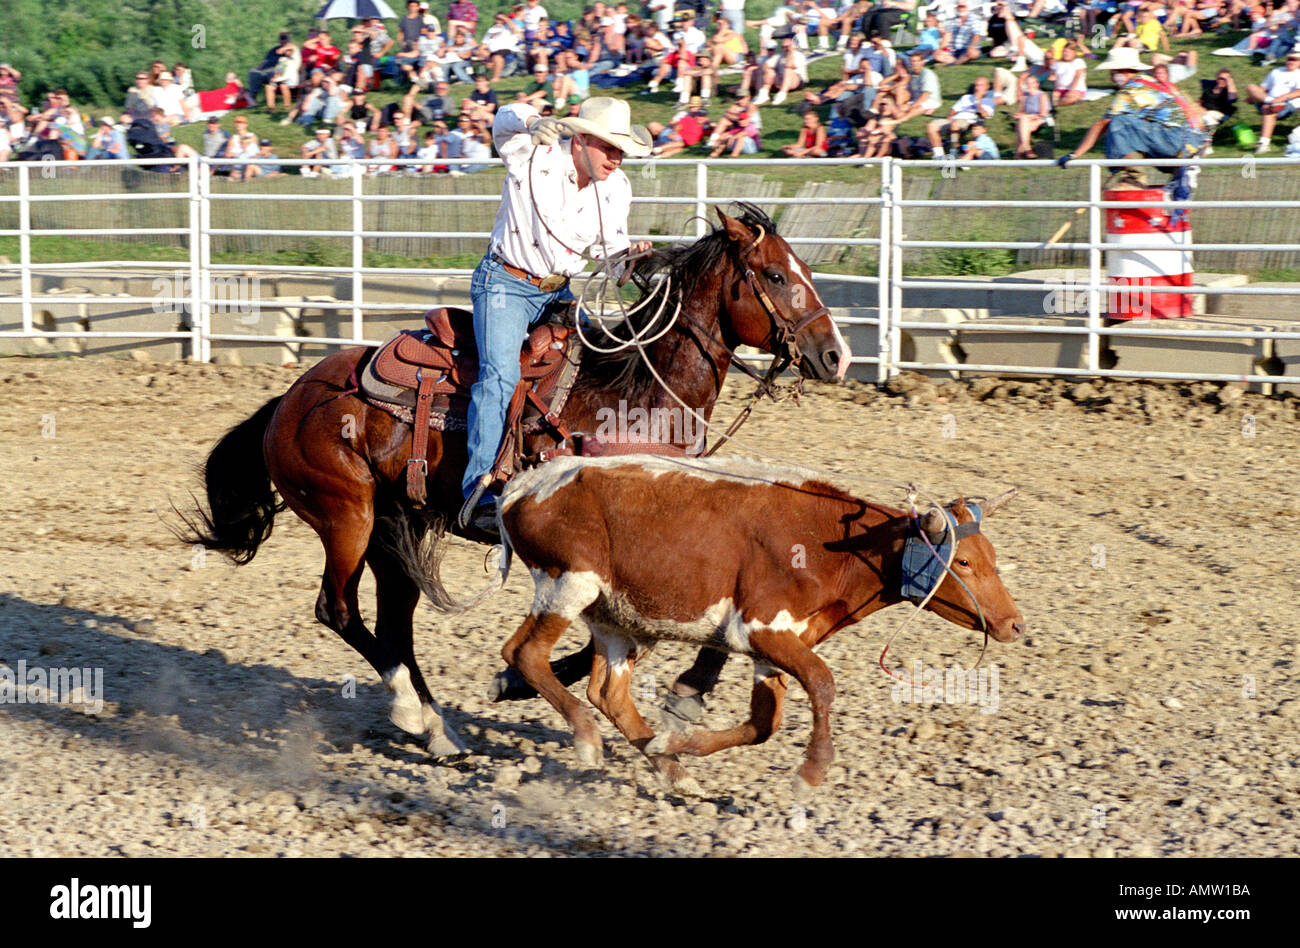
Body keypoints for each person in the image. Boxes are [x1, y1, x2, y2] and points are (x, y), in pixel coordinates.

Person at [458, 97, 652, 532]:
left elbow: (608, 253)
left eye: (621, 150)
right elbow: (504, 121)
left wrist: (631, 260)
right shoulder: (534, 153)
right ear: (580, 140)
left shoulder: (616, 188)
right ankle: (476, 490)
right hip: (505, 283)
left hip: (557, 291)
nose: (616, 158)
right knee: (500, 375)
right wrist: (533, 121)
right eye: (609, 147)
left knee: (605, 361)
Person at [1056, 46, 1205, 189]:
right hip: (1194, 141)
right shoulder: (1153, 82)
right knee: (1136, 133)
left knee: (1119, 123)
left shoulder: (1129, 90)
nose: (1112, 77)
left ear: (1123, 72)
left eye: (1113, 73)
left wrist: (1075, 154)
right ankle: (1181, 173)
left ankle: (1134, 177)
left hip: (1174, 139)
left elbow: (1102, 125)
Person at [1247, 51, 1300, 154]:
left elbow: (1298, 92)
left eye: (1294, 60)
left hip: (1286, 103)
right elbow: (1263, 87)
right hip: (1268, 99)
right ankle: (1270, 102)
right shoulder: (1276, 71)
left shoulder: (1298, 74)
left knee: (1269, 109)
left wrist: (1280, 99)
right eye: (1289, 59)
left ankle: (1263, 143)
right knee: (1250, 87)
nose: (1291, 62)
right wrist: (1255, 96)